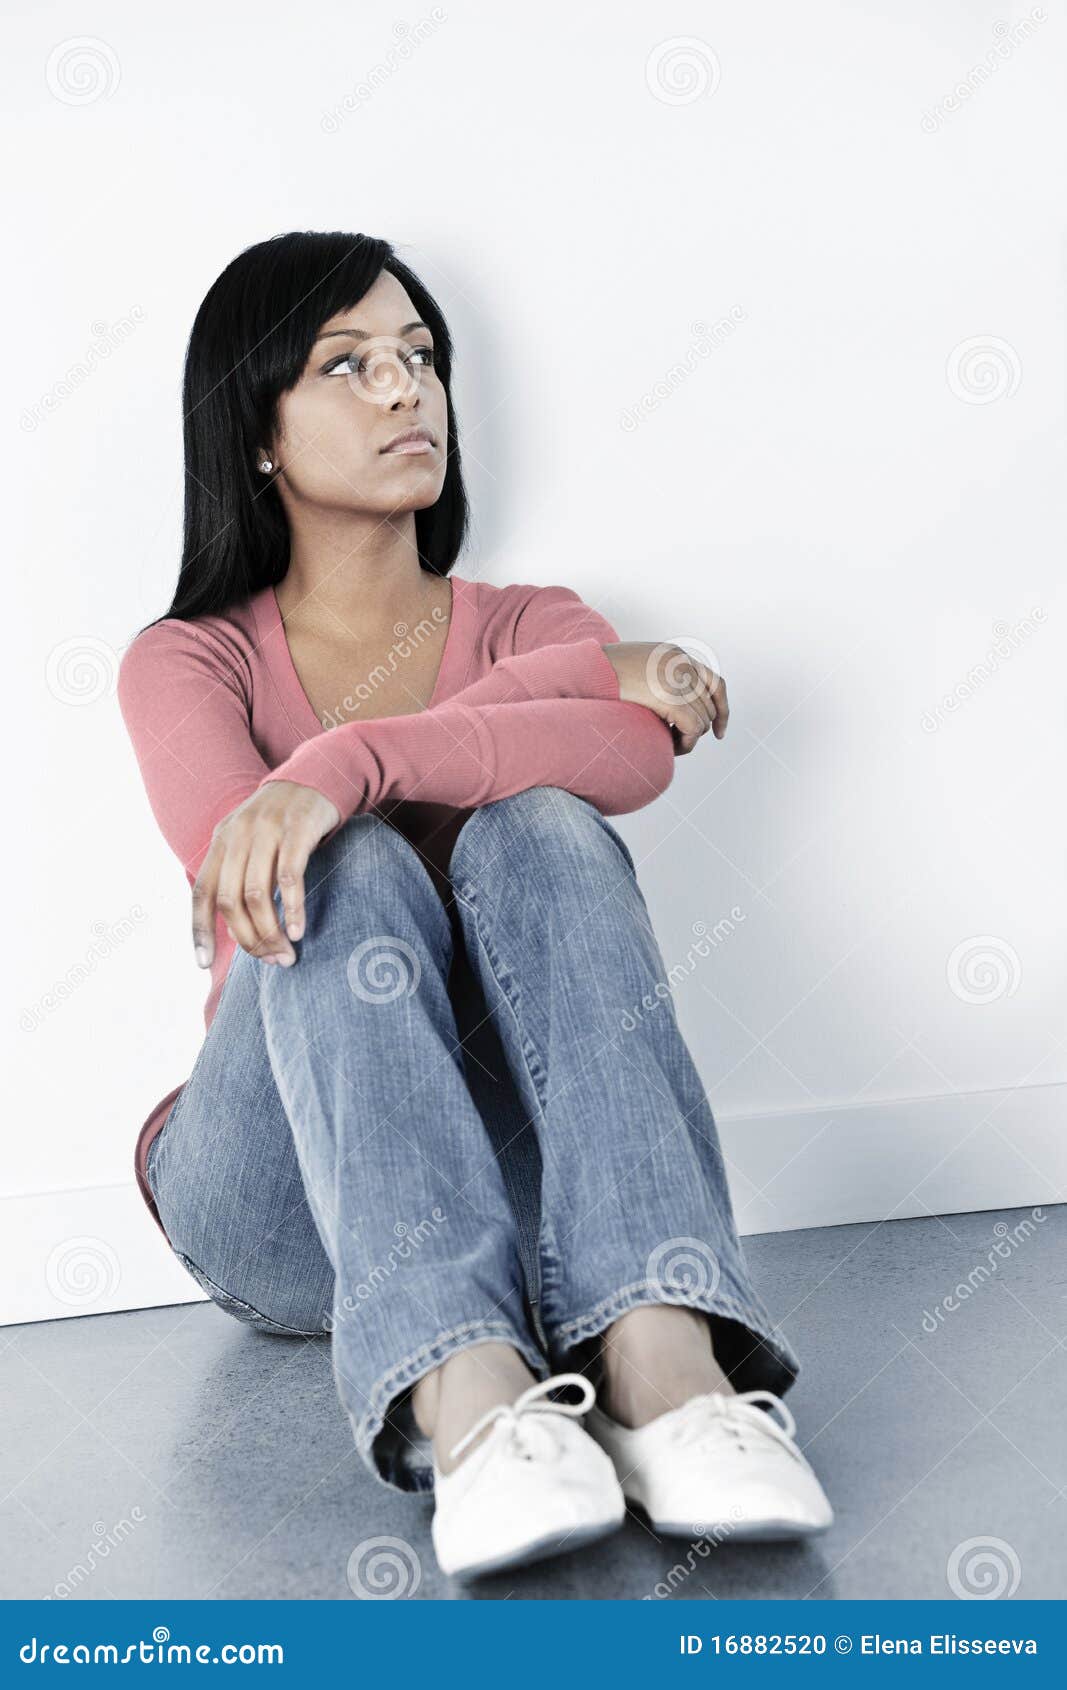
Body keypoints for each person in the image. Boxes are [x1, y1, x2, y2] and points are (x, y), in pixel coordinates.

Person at [117, 230, 833, 1582]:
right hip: (276, 1194)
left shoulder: (525, 616)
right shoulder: (185, 659)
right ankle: (465, 1402)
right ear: (256, 434)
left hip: (511, 1203)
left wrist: (344, 762)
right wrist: (582, 682)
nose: (407, 392)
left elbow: (627, 762)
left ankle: (667, 1361)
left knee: (546, 819)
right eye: (348, 365)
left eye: (421, 357)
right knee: (343, 865)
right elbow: (252, 858)